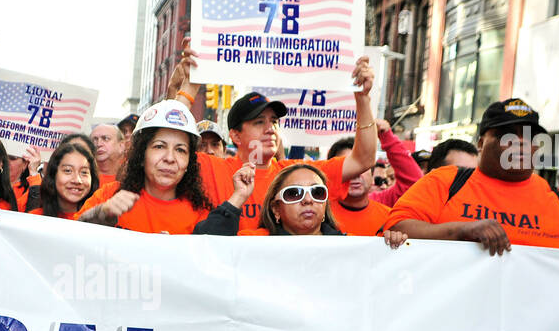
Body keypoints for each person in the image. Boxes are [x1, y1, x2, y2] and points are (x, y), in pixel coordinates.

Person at [385, 99, 559, 296]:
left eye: (530, 137)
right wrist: (462, 231)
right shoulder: (446, 181)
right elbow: (397, 229)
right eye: (506, 135)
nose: (520, 142)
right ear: (481, 143)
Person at [167, 38, 379, 231]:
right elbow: (167, 141)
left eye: (274, 122)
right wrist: (185, 89)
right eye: (259, 122)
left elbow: (364, 159)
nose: (270, 129)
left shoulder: (298, 175)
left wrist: (362, 99)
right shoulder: (211, 168)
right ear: (235, 136)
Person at [78, 100, 246, 234]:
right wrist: (101, 214)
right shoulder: (109, 196)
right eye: (159, 146)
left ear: (189, 163)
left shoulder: (200, 214)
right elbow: (69, 238)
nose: (170, 158)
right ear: (142, 155)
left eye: (180, 150)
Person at [234, 163, 408, 249]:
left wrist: (392, 246)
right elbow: (207, 248)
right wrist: (238, 196)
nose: (308, 200)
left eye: (317, 192)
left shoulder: (350, 246)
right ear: (276, 209)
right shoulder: (252, 242)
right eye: (294, 193)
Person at [325, 120, 424, 236]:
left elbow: (414, 184)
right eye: (348, 167)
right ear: (332, 173)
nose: (355, 174)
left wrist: (387, 137)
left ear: (372, 174)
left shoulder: (388, 216)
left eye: (362, 167)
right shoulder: (320, 214)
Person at [30, 139, 98, 219]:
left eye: (84, 172)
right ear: (53, 174)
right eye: (68, 170)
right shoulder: (34, 219)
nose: (77, 180)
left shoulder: (101, 220)